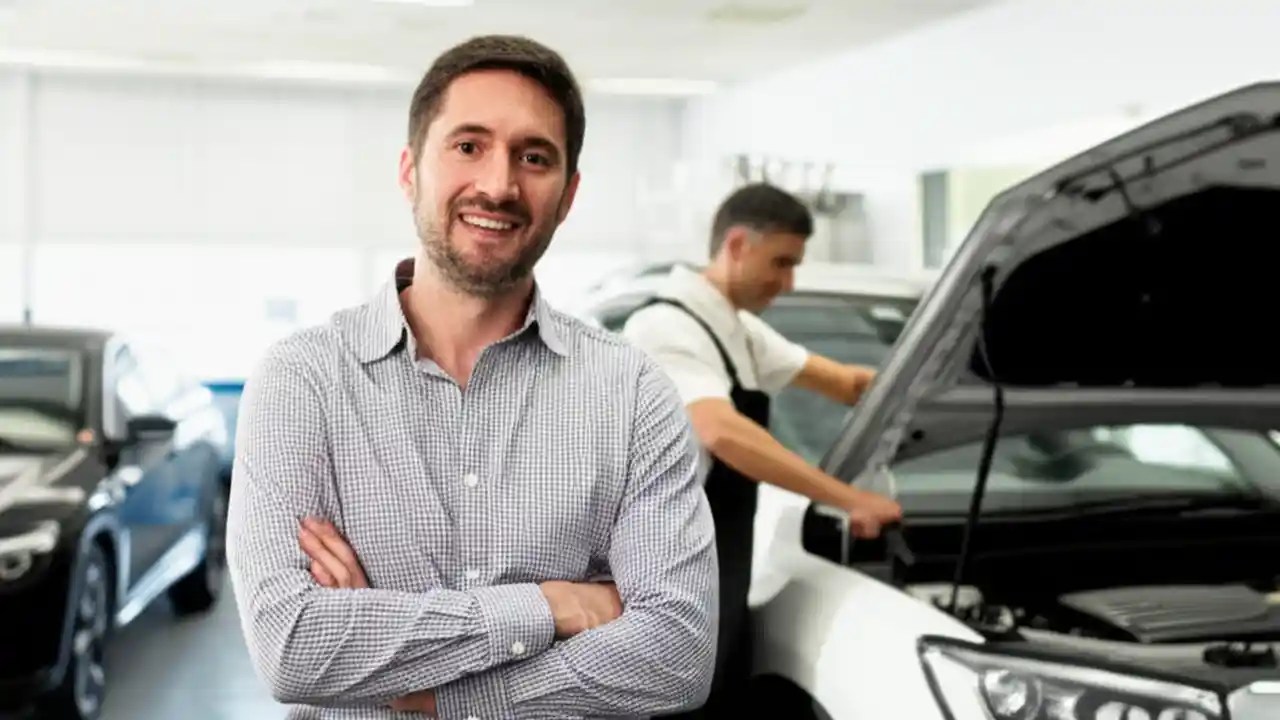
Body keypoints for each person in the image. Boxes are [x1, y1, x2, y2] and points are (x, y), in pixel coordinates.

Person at [226, 35, 717, 720]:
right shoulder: (302, 380)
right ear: (409, 171)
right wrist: (556, 605)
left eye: (534, 157)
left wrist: (414, 681)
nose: (498, 184)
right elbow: (293, 648)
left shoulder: (632, 393)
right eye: (468, 146)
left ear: (568, 195)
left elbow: (675, 654)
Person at [621, 182, 904, 718]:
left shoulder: (738, 330)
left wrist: (934, 377)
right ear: (736, 246)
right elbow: (722, 433)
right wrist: (850, 499)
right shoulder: (664, 326)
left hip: (717, 567)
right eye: (781, 262)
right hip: (664, 578)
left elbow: (844, 383)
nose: (788, 282)